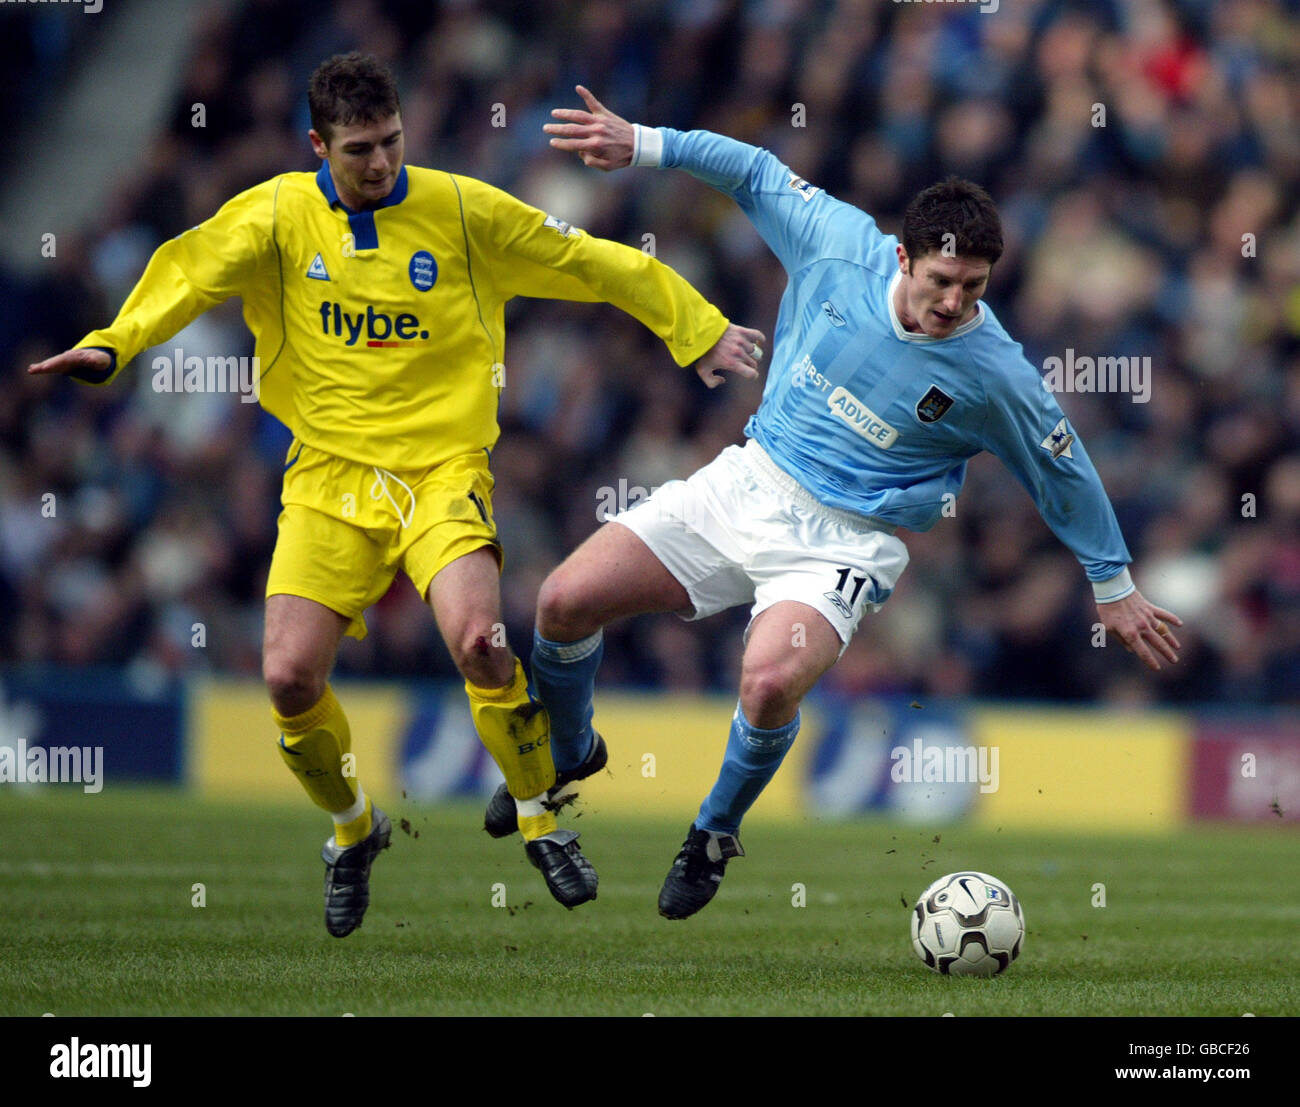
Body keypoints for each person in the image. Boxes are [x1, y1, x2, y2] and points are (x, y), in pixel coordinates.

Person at [28, 57, 764, 936]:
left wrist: (699, 326)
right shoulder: (275, 215)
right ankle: (352, 830)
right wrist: (115, 343)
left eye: (391, 142)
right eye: (359, 149)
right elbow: (187, 270)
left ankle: (539, 816)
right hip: (327, 480)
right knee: (288, 676)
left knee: (480, 641)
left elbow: (591, 262)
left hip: (442, 471)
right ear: (317, 146)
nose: (380, 163)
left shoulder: (459, 210)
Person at [496, 86, 1184, 920]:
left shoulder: (995, 372)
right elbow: (752, 169)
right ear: (902, 256)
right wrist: (641, 142)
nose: (955, 303)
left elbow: (1061, 467)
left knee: (770, 681)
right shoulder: (839, 241)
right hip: (748, 478)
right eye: (942, 280)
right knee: (562, 603)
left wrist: (1112, 583)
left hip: (847, 541)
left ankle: (713, 829)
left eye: (974, 286)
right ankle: (570, 754)